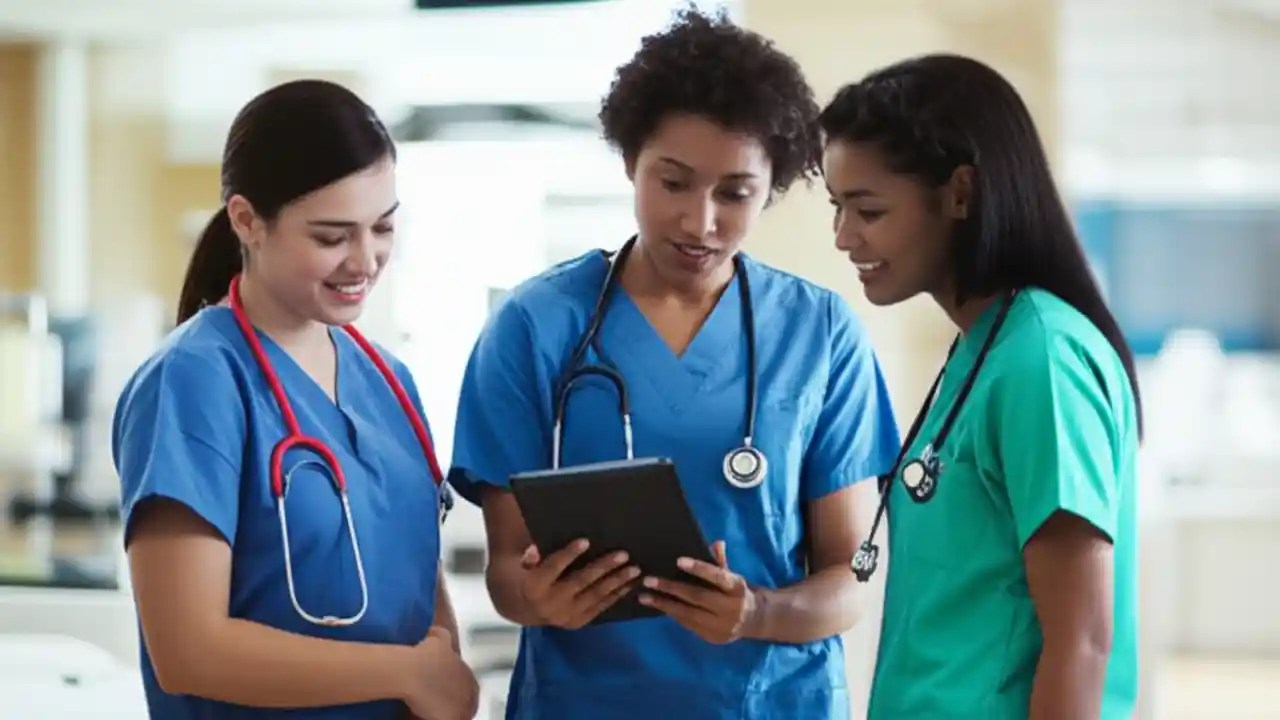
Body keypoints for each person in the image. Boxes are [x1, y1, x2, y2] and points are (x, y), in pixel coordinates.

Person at [445, 8, 900, 720]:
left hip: (770, 703)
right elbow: (508, 567)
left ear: (771, 187)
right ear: (631, 161)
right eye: (674, 182)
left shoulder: (820, 335)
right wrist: (542, 597)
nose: (700, 222)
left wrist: (756, 612)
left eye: (735, 193)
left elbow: (852, 577)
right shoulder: (535, 327)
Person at [111, 79, 479, 720]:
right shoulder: (195, 382)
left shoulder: (389, 379)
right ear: (247, 221)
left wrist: (439, 665)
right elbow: (189, 650)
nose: (365, 260)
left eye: (383, 228)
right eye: (332, 237)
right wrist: (410, 673)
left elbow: (414, 583)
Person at [819, 54, 1143, 719]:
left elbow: (1080, 640)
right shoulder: (984, 349)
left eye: (868, 210)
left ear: (960, 194)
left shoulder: (1041, 361)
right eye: (837, 207)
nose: (843, 237)